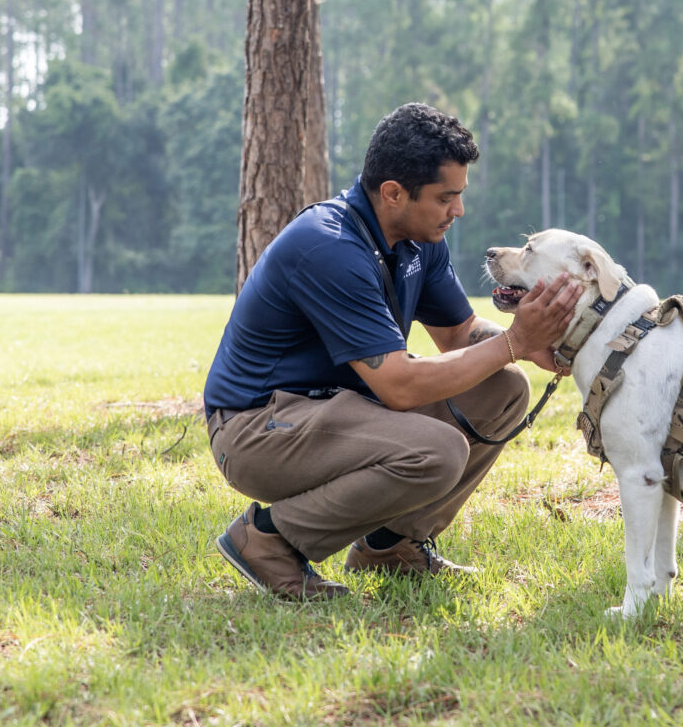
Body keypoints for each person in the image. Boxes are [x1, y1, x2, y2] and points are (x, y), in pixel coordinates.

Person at [204, 103, 582, 600]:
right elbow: (399, 387)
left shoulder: (418, 238)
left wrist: (538, 347)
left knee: (504, 387)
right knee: (438, 451)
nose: (458, 211)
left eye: (460, 195)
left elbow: (459, 333)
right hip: (258, 427)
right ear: (393, 193)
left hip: (338, 411)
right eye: (446, 197)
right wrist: (515, 342)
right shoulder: (330, 247)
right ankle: (267, 539)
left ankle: (390, 546)